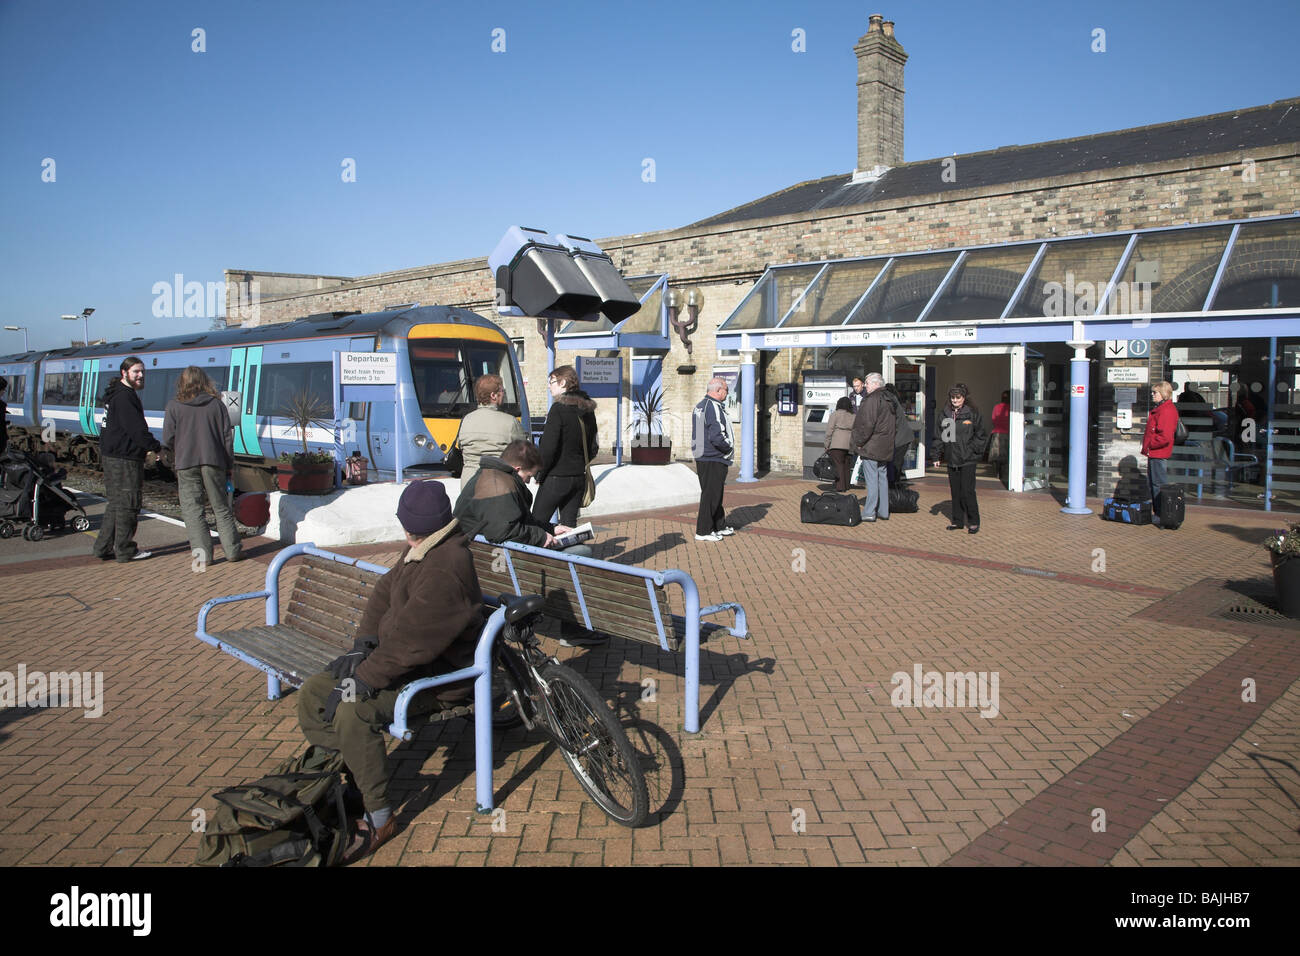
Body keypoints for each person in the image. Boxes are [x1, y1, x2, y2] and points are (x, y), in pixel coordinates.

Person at [297, 480, 482, 863]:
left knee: (354, 709)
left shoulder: (446, 566)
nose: (406, 535)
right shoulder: (422, 546)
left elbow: (414, 643)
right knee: (315, 690)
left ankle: (380, 815)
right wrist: (362, 644)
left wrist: (363, 678)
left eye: (410, 529)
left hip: (437, 677)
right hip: (399, 663)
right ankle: (352, 777)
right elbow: (384, 591)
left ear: (426, 528)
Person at [454, 440, 591, 558]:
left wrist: (551, 529)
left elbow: (517, 522)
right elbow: (502, 531)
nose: (528, 481)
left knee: (577, 549)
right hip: (496, 558)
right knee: (581, 552)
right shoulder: (499, 485)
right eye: (529, 476)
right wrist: (541, 537)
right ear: (517, 469)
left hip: (487, 552)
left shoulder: (493, 476)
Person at [162, 366, 243, 566]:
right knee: (221, 507)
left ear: (182, 382)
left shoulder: (174, 406)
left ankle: (203, 557)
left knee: (192, 510)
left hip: (186, 462)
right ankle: (232, 551)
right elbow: (227, 438)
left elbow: (168, 438)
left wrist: (176, 453)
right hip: (214, 461)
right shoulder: (217, 405)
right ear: (205, 381)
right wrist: (228, 464)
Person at [93, 355, 161, 562]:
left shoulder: (116, 394)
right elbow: (136, 430)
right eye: (136, 372)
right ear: (124, 373)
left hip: (114, 455)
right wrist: (155, 447)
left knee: (115, 503)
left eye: (142, 371)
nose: (140, 375)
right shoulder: (125, 397)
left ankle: (102, 547)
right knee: (128, 504)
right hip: (124, 458)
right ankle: (125, 550)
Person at [531, 365, 598, 528]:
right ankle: (571, 553)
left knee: (536, 524)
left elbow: (548, 448)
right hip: (578, 477)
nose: (549, 386)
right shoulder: (587, 409)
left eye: (552, 381)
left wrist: (540, 473)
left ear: (563, 383)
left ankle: (534, 554)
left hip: (556, 477)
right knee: (569, 526)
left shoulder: (558, 409)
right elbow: (594, 446)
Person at [932, 383, 988, 534]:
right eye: (952, 398)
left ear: (964, 398)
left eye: (958, 397)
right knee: (955, 491)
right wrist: (936, 455)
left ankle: (974, 521)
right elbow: (940, 436)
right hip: (952, 458)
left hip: (967, 459)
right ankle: (957, 521)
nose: (955, 400)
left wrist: (973, 451)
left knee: (967, 491)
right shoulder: (945, 414)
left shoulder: (972, 413)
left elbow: (981, 435)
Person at [456, 373, 525, 489]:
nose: (504, 394)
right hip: (498, 483)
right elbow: (524, 449)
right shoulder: (510, 422)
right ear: (493, 395)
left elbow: (460, 446)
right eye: (502, 391)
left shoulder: (466, 420)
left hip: (469, 484)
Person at [692, 376, 734, 541]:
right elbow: (717, 435)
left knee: (714, 492)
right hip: (713, 456)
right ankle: (703, 531)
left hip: (702, 455)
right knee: (711, 494)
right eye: (726, 390)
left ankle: (719, 525)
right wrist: (728, 446)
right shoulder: (713, 407)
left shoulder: (701, 405)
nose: (727, 393)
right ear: (718, 390)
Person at [850, 372, 896, 523]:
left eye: (868, 383)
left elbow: (866, 424)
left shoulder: (872, 399)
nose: (866, 386)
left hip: (872, 445)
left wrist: (859, 442)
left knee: (872, 480)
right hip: (885, 445)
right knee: (882, 478)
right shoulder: (889, 398)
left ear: (876, 384)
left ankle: (870, 511)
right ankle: (883, 510)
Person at [1141, 380, 1179, 512]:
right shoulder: (1162, 409)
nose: (1152, 394)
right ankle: (1159, 511)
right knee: (1154, 484)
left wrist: (1150, 445)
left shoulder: (1166, 410)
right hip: (1155, 452)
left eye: (1155, 392)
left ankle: (1162, 513)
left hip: (1158, 452)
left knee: (1158, 484)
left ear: (1163, 393)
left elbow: (1165, 436)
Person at [882, 382, 914, 486]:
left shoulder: (890, 400)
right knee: (896, 463)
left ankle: (894, 487)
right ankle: (895, 485)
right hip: (903, 437)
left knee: (895, 464)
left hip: (900, 439)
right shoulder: (894, 399)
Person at [823, 397, 856, 493]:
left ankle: (840, 487)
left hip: (837, 444)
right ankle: (846, 485)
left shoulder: (835, 415)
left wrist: (826, 444)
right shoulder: (853, 416)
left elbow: (829, 431)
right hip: (849, 444)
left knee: (839, 465)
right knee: (846, 465)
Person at [989, 389, 1011, 487]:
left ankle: (997, 473)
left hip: (997, 433)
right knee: (1007, 456)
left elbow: (993, 419)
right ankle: (1005, 474)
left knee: (997, 456)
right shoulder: (1011, 408)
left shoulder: (997, 407)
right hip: (1008, 433)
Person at [847, 377, 867, 486]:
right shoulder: (851, 396)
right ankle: (855, 476)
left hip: (864, 426)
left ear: (862, 385)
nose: (856, 388)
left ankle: (862, 475)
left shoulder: (867, 395)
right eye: (854, 386)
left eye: (858, 386)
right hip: (855, 426)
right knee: (855, 451)